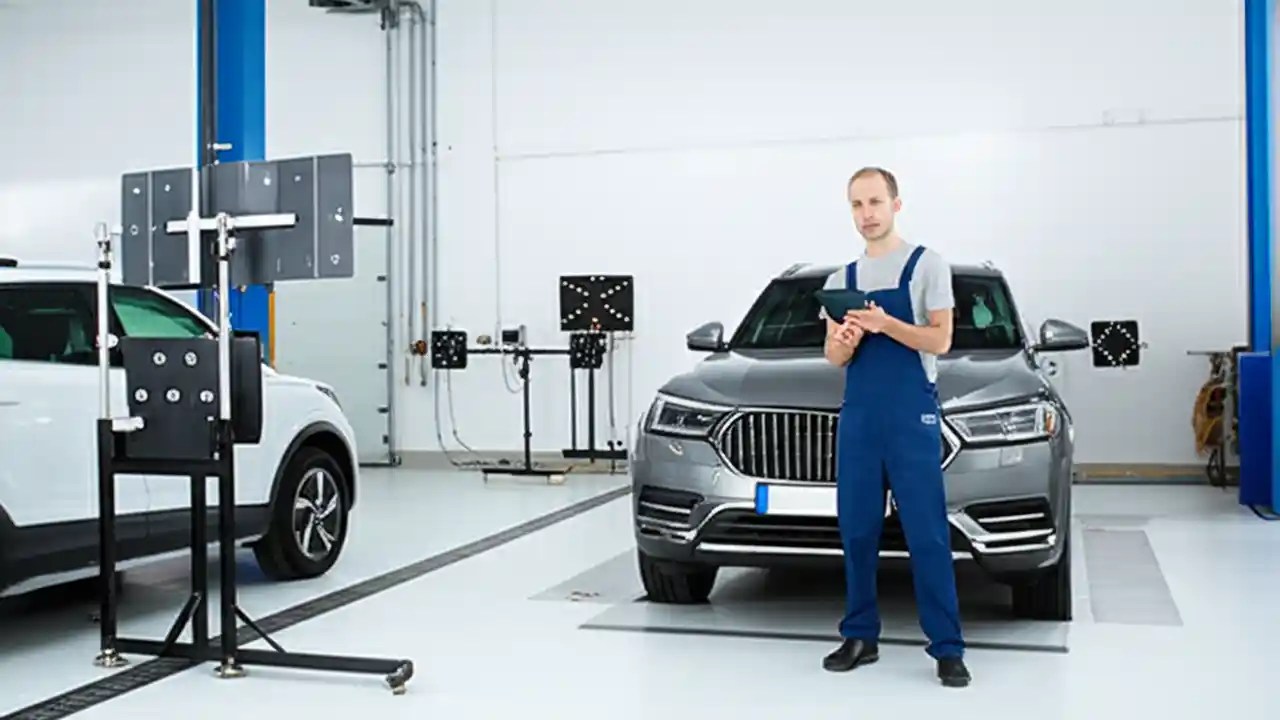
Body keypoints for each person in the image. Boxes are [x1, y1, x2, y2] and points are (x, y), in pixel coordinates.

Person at [819, 166, 971, 688]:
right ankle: (860, 635)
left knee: (926, 532)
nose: (867, 214)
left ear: (896, 204)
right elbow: (834, 359)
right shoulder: (840, 282)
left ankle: (947, 648)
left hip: (912, 415)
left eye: (875, 202)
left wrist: (886, 325)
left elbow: (941, 341)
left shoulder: (928, 266)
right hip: (859, 417)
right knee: (856, 529)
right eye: (857, 205)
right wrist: (847, 338)